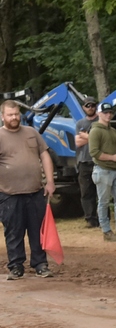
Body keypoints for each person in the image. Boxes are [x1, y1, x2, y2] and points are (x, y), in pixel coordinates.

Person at [0, 99, 56, 279]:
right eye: (10, 115)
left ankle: (40, 264)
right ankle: (16, 266)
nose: (14, 117)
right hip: (9, 194)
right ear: (3, 116)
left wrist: (50, 181)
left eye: (16, 114)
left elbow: (44, 155)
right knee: (14, 232)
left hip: (35, 191)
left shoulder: (32, 132)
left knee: (37, 230)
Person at [89, 102, 116, 242]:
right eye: (105, 112)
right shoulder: (95, 131)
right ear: (99, 114)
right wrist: (113, 158)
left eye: (110, 112)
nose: (108, 115)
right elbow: (94, 152)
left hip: (114, 169)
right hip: (102, 169)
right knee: (104, 202)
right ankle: (106, 231)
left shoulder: (113, 130)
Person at [74, 96, 100, 227]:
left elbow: (102, 140)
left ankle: (103, 218)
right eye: (88, 106)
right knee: (86, 192)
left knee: (101, 192)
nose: (90, 108)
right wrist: (92, 138)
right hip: (83, 161)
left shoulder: (100, 121)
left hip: (98, 161)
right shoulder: (80, 123)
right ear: (83, 108)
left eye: (92, 105)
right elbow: (77, 142)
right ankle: (90, 219)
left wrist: (85, 136)